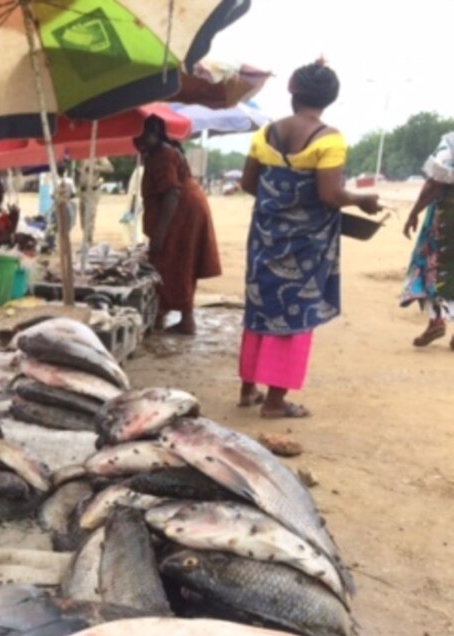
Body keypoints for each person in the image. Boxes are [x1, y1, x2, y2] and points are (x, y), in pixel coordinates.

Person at [238, 60, 380, 418]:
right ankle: (274, 402)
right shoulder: (329, 138)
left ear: (292, 89)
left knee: (260, 306)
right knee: (294, 312)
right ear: (331, 98)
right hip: (304, 246)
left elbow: (249, 184)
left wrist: (281, 205)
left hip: (265, 238)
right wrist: (362, 200)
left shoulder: (265, 133)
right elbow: (330, 195)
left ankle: (247, 389)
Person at [135, 115, 222, 335]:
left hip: (181, 212)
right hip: (185, 208)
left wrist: (160, 234)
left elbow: (171, 193)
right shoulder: (162, 152)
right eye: (136, 137)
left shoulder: (162, 155)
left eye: (144, 135)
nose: (139, 141)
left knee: (173, 261)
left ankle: (183, 319)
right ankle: (165, 313)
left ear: (155, 133)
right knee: (177, 261)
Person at [400, 132, 454, 347]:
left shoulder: (451, 141)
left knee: (429, 264)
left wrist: (414, 212)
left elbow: (435, 182)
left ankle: (436, 321)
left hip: (448, 216)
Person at [77, 156, 114, 250]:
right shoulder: (82, 155)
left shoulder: (99, 155)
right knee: (83, 217)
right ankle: (85, 239)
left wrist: (95, 167)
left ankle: (88, 241)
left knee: (90, 216)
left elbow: (110, 168)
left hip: (92, 190)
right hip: (82, 190)